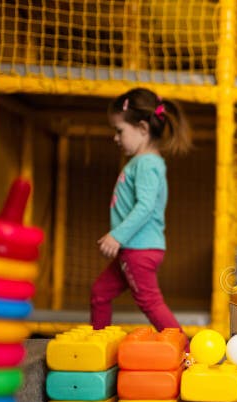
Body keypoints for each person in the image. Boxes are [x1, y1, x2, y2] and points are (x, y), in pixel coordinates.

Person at [90, 87, 191, 332]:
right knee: (100, 293)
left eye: (120, 130)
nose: (116, 137)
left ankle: (185, 351)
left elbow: (145, 207)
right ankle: (99, 342)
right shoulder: (143, 162)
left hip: (139, 248)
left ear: (143, 129)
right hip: (133, 248)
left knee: (150, 302)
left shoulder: (146, 164)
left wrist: (117, 235)